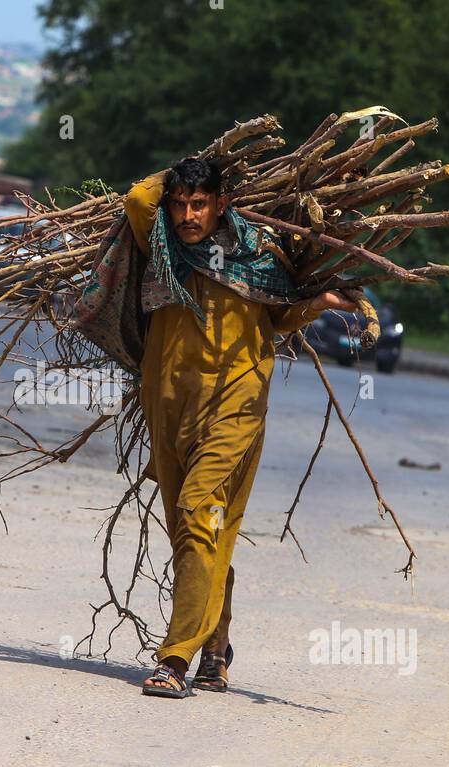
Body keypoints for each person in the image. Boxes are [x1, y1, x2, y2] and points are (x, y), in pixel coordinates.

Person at [119, 158, 358, 698]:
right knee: (202, 529)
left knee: (198, 511)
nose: (186, 215)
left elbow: (278, 316)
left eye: (199, 203)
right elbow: (137, 199)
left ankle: (174, 658)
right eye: (180, 204)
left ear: (222, 204)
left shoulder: (257, 254)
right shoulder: (160, 242)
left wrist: (316, 304)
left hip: (238, 405)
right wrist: (190, 165)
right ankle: (217, 650)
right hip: (170, 403)